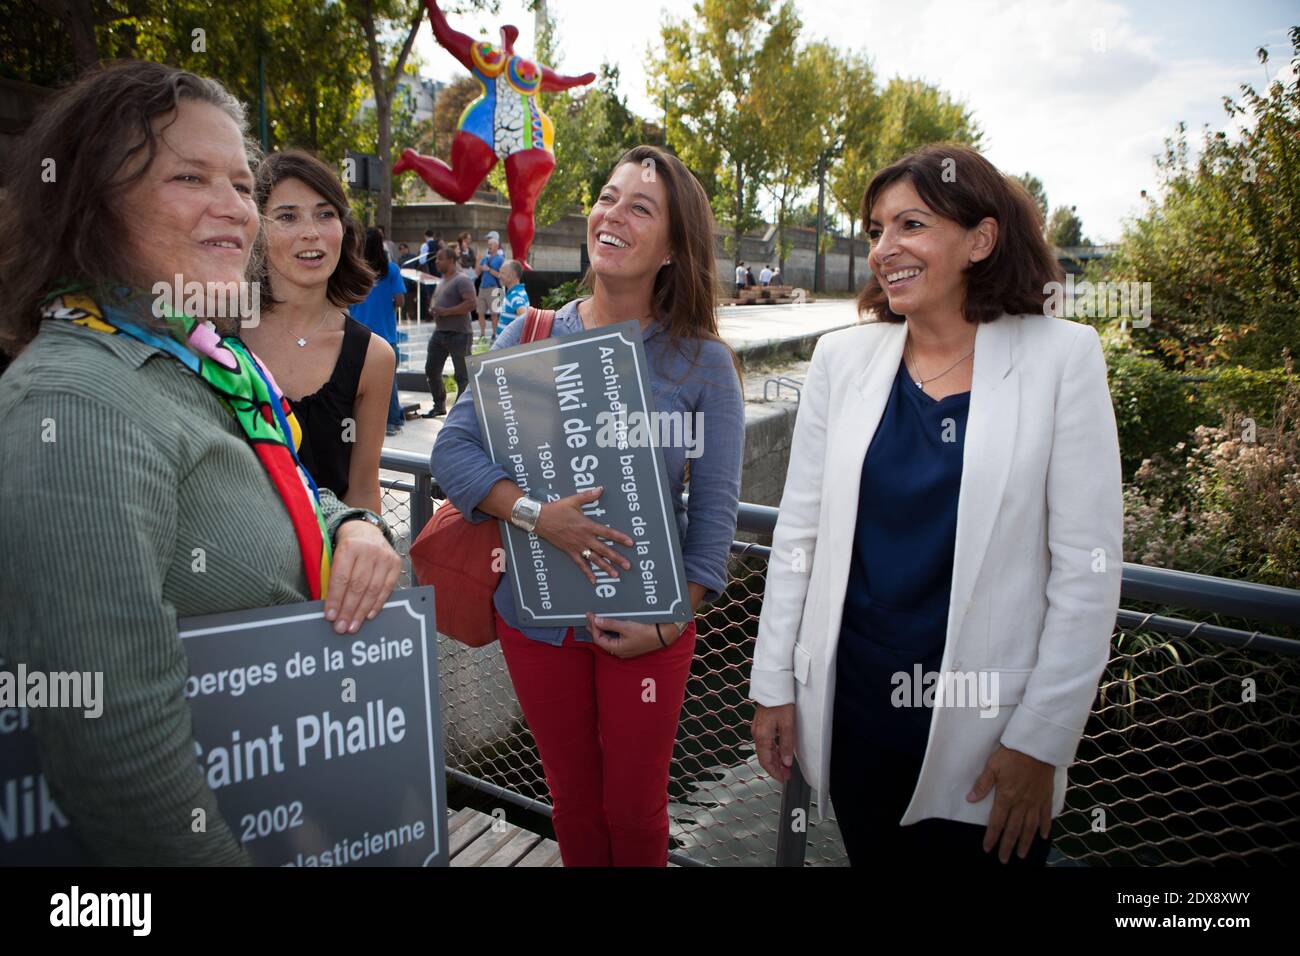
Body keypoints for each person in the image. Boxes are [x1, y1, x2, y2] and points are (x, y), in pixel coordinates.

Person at [0, 61, 401, 865]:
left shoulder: (201, 358)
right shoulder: (77, 402)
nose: (235, 210)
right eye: (190, 177)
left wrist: (354, 527)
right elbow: (121, 757)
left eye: (240, 184)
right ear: (94, 199)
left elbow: (278, 490)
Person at [749, 143, 1123, 866]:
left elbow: (1087, 572)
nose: (885, 249)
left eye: (910, 225)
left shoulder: (1062, 360)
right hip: (852, 712)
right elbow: (799, 534)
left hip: (988, 739)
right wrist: (773, 686)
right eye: (876, 230)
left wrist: (1041, 739)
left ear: (980, 240)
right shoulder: (842, 360)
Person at [432, 144, 745, 867]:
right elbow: (452, 453)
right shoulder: (530, 332)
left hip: (647, 624)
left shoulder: (702, 363)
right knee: (572, 803)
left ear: (673, 247)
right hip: (536, 620)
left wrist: (670, 623)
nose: (612, 215)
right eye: (607, 197)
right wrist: (540, 516)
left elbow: (714, 519)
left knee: (635, 816)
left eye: (641, 207)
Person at [242, 151, 395, 513]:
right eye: (287, 217)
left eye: (325, 214)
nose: (310, 232)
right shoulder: (221, 336)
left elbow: (362, 489)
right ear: (257, 229)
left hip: (327, 563)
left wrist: (367, 544)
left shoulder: (373, 357)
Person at [392, 0, 595, 266]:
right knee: (471, 193)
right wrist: (579, 80)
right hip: (501, 128)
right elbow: (562, 81)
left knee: (506, 201)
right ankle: (415, 160)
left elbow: (446, 35)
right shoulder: (521, 68)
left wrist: (431, 6)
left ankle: (521, 258)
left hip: (507, 129)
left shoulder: (505, 63)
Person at [352, 227, 408, 436]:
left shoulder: (355, 270)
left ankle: (358, 422)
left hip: (358, 331)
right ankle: (393, 421)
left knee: (356, 379)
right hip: (386, 333)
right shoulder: (391, 269)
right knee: (389, 381)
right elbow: (400, 300)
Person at [422, 245, 477, 418]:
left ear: (451, 260)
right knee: (431, 370)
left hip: (460, 334)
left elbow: (471, 303)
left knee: (462, 375)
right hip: (440, 332)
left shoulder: (462, 280)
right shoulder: (442, 281)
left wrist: (447, 311)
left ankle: (460, 414)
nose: (437, 262)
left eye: (440, 258)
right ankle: (439, 405)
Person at [475, 230, 505, 341]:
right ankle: (482, 334)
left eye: (491, 245)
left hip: (495, 288)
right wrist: (478, 261)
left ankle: (494, 334)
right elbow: (477, 273)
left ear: (496, 246)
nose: (489, 247)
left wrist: (489, 270)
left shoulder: (501, 259)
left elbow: (502, 275)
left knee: (494, 314)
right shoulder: (485, 258)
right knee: (480, 312)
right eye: (488, 245)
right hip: (482, 288)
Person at [494, 259, 529, 338]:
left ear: (512, 275)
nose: (499, 275)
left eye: (502, 273)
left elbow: (525, 317)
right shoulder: (518, 292)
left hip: (507, 348)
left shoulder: (515, 295)